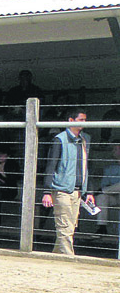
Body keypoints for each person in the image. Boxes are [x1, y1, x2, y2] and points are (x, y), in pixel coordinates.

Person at [41, 107, 94, 255]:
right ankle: (69, 258)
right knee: (65, 227)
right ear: (71, 121)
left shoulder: (85, 139)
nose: (84, 122)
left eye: (85, 120)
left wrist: (88, 190)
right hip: (62, 189)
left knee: (69, 227)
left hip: (77, 190)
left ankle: (56, 256)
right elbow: (51, 166)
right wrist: (47, 191)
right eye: (81, 119)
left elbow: (86, 166)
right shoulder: (59, 139)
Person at [94, 143, 120, 234]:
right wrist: (103, 190)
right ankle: (102, 227)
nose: (113, 152)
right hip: (114, 196)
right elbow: (104, 184)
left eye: (115, 149)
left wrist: (104, 190)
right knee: (101, 196)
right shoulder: (110, 168)